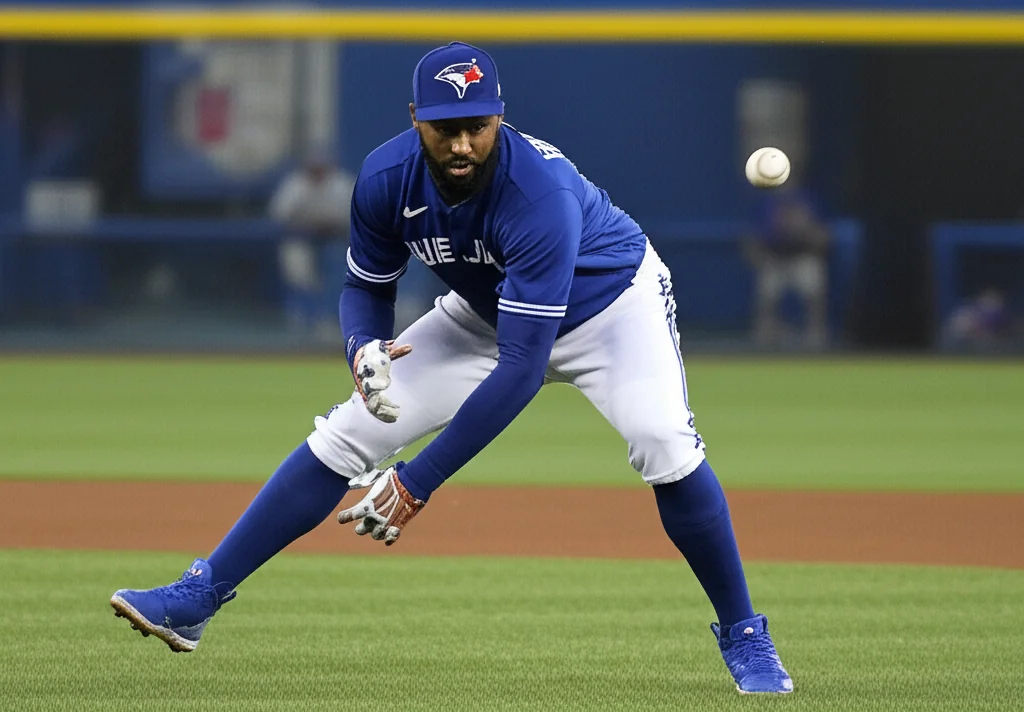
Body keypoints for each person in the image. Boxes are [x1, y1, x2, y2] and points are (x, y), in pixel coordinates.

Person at [110, 42, 793, 695]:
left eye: (476, 125)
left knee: (662, 442)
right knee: (350, 434)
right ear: (416, 123)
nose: (462, 143)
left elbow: (523, 370)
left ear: (500, 117)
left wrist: (415, 483)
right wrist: (364, 348)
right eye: (445, 129)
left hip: (611, 310)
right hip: (486, 313)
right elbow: (367, 287)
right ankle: (200, 596)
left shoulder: (538, 193)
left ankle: (744, 633)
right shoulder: (384, 178)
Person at [269, 149, 356, 339]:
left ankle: (329, 321)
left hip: (336, 240)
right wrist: (309, 224)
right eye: (314, 167)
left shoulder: (341, 183)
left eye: (321, 166)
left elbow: (356, 216)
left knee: (339, 270)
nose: (318, 171)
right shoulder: (295, 184)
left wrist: (330, 225)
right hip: (301, 239)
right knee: (299, 273)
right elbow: (279, 217)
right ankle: (299, 320)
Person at [743, 182, 830, 349]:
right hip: (774, 260)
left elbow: (824, 239)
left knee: (812, 276)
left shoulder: (810, 200)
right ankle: (766, 337)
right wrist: (760, 256)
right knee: (767, 287)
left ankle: (816, 337)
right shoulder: (764, 204)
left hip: (802, 258)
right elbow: (750, 242)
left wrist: (805, 231)